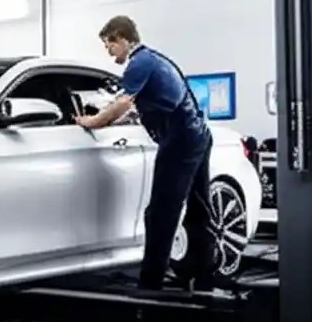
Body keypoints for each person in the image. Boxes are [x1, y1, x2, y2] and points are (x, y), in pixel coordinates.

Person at [74, 15, 219, 292]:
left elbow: (121, 104)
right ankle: (204, 278)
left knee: (161, 212)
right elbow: (128, 106)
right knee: (199, 211)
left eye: (109, 45)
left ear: (122, 38)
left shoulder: (139, 63)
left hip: (180, 139)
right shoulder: (155, 60)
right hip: (197, 134)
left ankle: (150, 285)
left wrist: (89, 122)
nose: (109, 52)